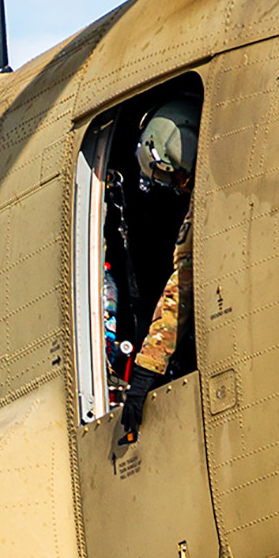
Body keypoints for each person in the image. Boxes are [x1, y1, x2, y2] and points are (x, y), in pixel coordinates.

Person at [114, 90, 200, 445]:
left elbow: (183, 284)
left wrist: (145, 371)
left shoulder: (209, 199)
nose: (181, 188)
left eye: (178, 178)